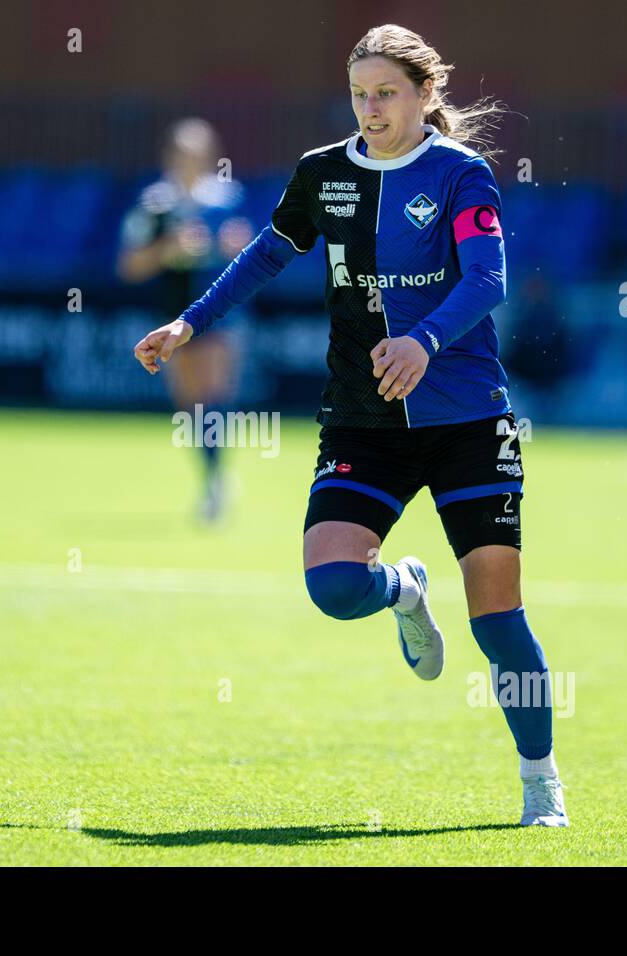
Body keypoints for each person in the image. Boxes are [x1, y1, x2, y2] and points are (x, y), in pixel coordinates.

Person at [134, 24, 566, 826]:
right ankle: (402, 590)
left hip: (467, 416)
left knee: (498, 621)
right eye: (361, 93)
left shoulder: (460, 174)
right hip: (363, 419)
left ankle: (540, 780)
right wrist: (189, 324)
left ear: (426, 94)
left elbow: (490, 276)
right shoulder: (323, 175)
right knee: (333, 587)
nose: (371, 108)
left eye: (387, 93)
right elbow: (266, 253)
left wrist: (424, 340)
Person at [118, 118, 253, 522]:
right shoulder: (154, 204)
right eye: (182, 153)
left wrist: (234, 248)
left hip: (220, 316)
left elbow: (252, 252)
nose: (188, 161)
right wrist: (167, 249)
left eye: (196, 154)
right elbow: (130, 265)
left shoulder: (228, 198)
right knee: (192, 405)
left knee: (213, 396)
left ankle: (215, 484)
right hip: (173, 315)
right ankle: (213, 477)